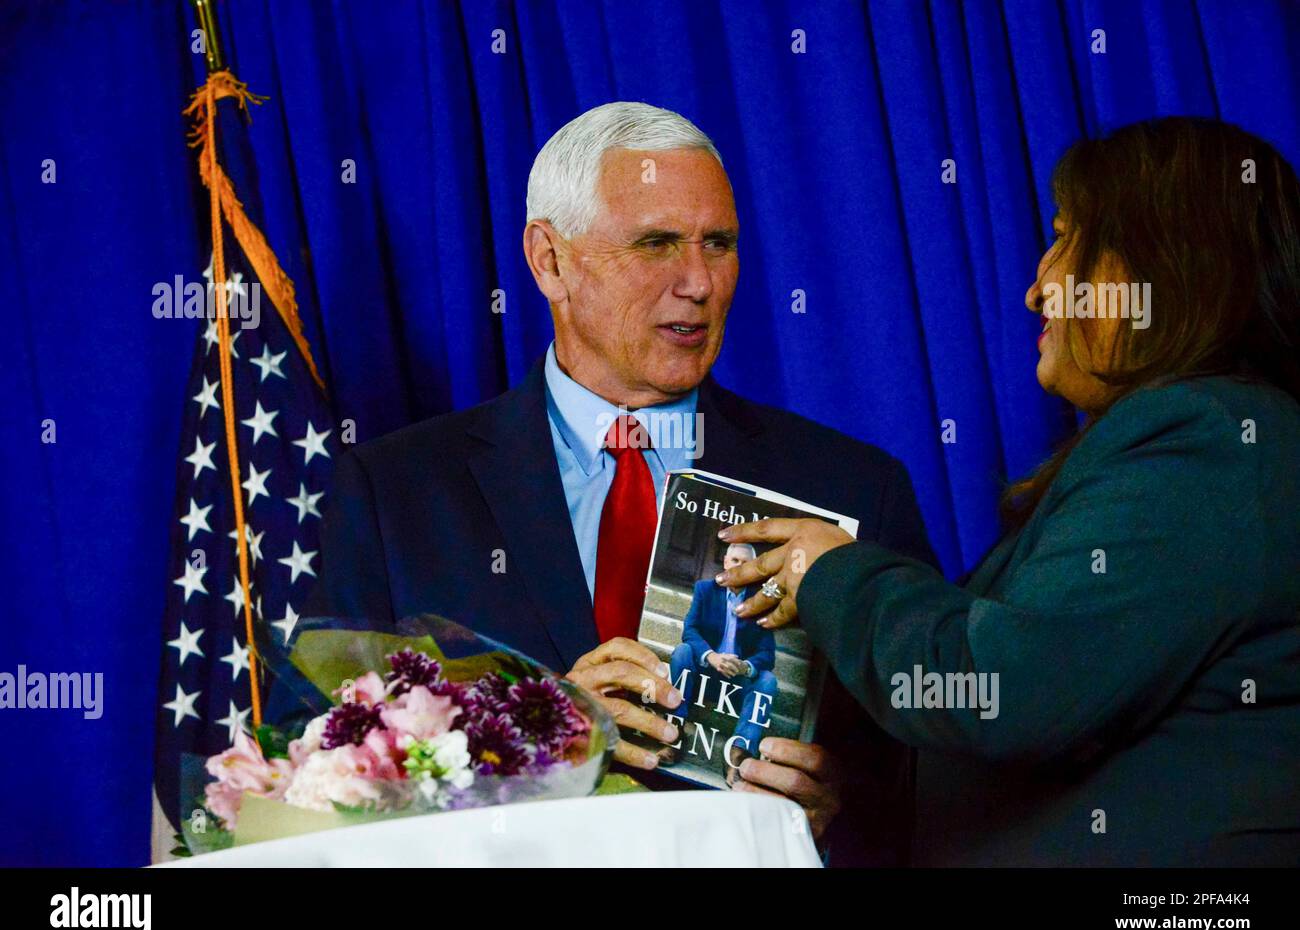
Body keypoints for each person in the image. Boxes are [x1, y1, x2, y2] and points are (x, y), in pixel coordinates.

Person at [307, 102, 936, 861]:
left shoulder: (853, 486)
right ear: (550, 261)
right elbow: (317, 774)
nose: (699, 282)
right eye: (658, 243)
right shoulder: (394, 494)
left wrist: (843, 801)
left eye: (720, 243)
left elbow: (940, 768)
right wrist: (533, 744)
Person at [718, 116, 1300, 866]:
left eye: (1065, 238)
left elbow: (993, 688)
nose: (1037, 289)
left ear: (1156, 266)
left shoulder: (1208, 439)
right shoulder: (1205, 440)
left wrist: (825, 568)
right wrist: (842, 792)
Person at [667, 543, 779, 785]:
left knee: (767, 680)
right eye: (735, 560)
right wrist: (711, 656)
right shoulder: (705, 590)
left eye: (745, 563)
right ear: (726, 562)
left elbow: (767, 653)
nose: (739, 566)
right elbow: (690, 630)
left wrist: (745, 667)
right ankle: (675, 733)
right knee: (683, 652)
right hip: (702, 677)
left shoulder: (761, 601)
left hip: (736, 685)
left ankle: (738, 754)